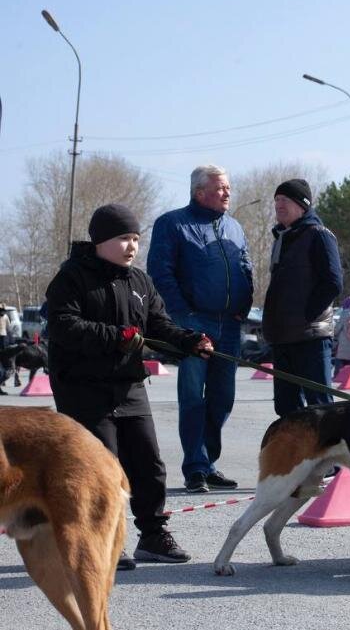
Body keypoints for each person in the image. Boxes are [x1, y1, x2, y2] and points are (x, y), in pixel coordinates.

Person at [46, 204, 214, 570]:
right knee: (101, 466)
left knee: (149, 463)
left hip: (128, 386)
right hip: (83, 388)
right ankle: (101, 539)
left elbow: (159, 326)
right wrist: (116, 337)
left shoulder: (140, 282)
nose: (131, 246)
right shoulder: (71, 277)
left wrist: (189, 341)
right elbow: (62, 326)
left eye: (136, 239)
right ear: (101, 240)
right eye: (123, 238)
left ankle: (152, 535)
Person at [147, 165, 254, 494]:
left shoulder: (234, 226)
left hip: (230, 325)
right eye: (221, 187)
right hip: (195, 325)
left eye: (228, 187)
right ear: (199, 193)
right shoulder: (173, 223)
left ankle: (208, 462)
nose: (228, 193)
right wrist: (184, 316)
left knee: (223, 398)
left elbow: (246, 267)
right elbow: (160, 272)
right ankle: (195, 468)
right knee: (193, 398)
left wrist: (243, 309)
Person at [261, 179, 343, 416]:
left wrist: (308, 314)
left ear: (302, 205)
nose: (278, 205)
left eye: (284, 200)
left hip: (311, 339)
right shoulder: (281, 238)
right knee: (287, 411)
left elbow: (333, 282)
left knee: (321, 409)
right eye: (276, 200)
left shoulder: (319, 234)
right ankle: (296, 454)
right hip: (283, 338)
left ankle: (326, 454)